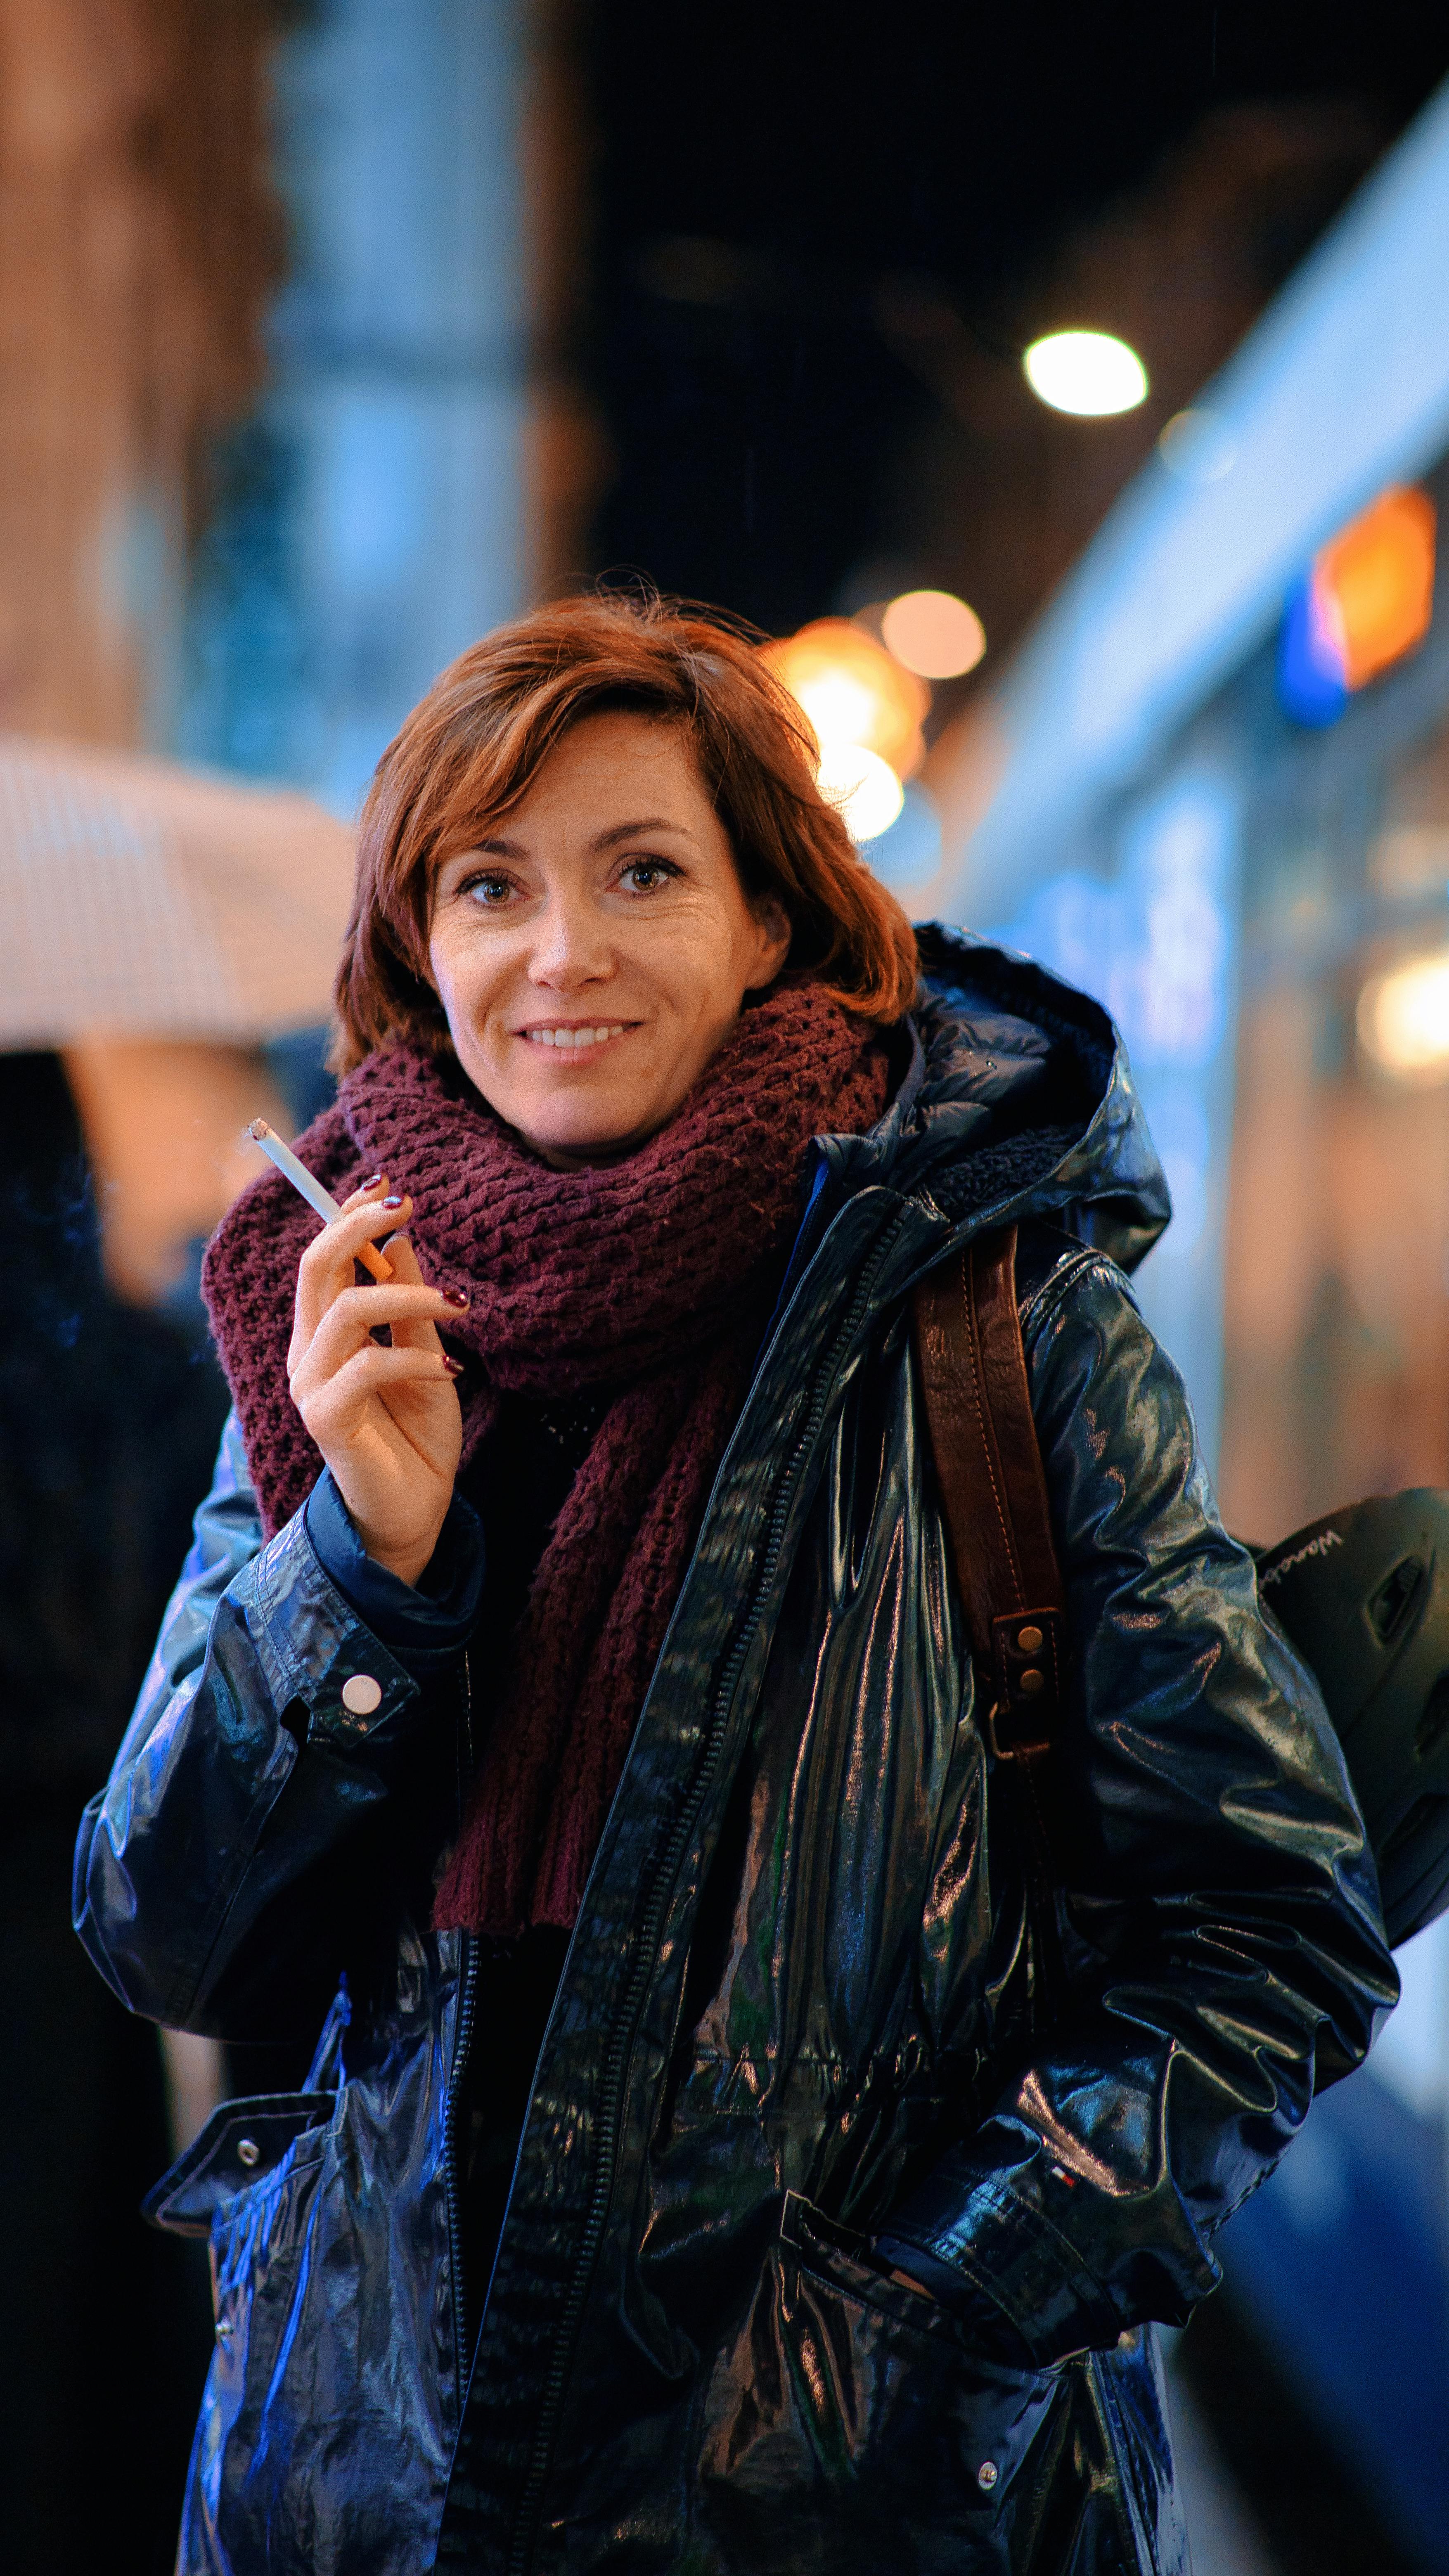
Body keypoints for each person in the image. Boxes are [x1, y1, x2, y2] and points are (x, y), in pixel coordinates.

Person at [75, 593, 1394, 2576]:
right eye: (488, 887)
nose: (560, 953)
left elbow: (1269, 1914)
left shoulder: (990, 1315)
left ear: (767, 913)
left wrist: (922, 2329)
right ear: (421, 948)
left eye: (641, 872)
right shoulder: (327, 1312)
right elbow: (167, 1934)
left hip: (848, 2509)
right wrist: (362, 1568)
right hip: (368, 2486)